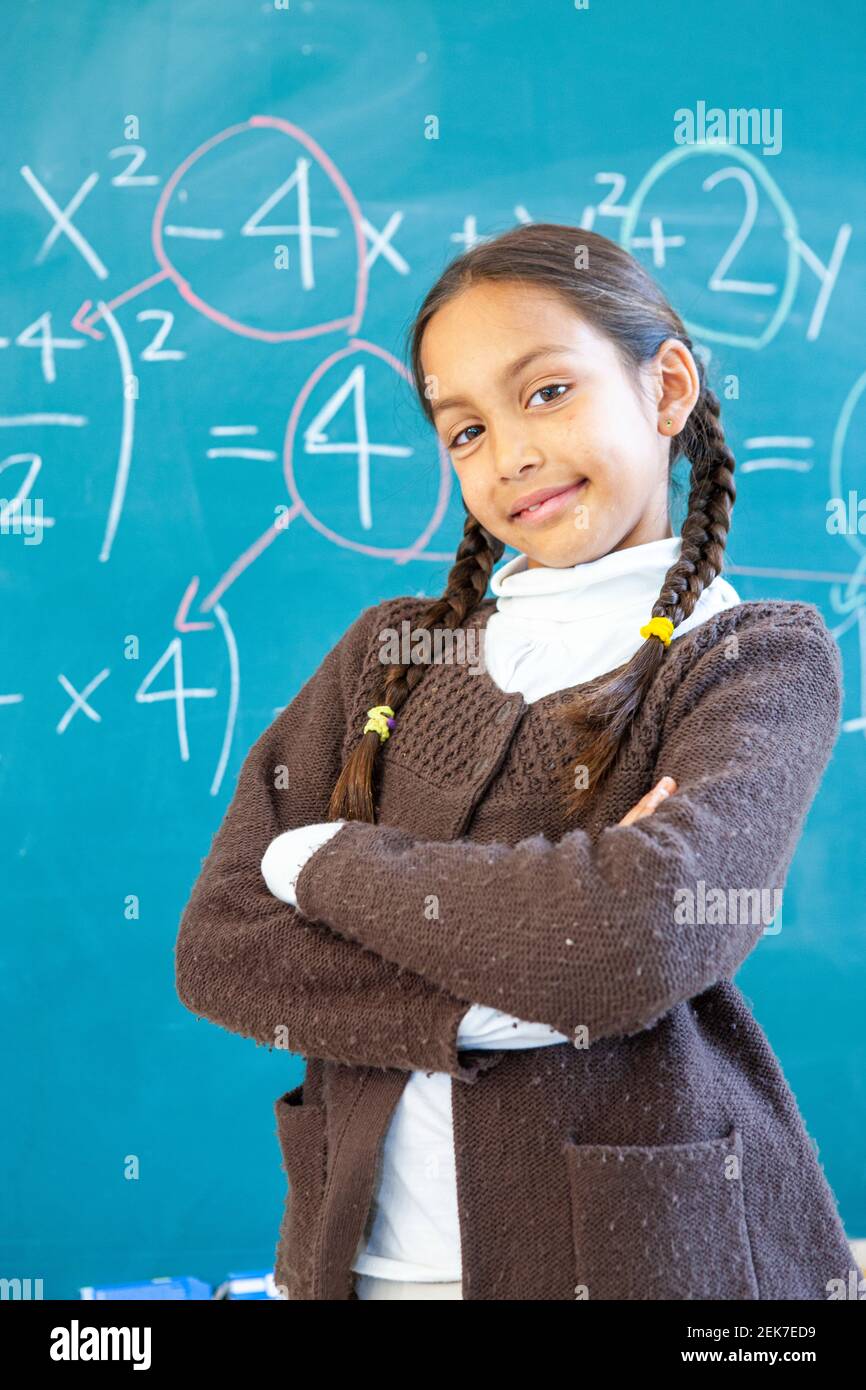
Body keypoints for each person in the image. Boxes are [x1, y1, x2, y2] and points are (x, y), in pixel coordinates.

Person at [175, 224, 856, 1301]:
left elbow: (635, 935)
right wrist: (522, 976)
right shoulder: (389, 657)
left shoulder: (751, 658)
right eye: (463, 431)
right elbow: (220, 946)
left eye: (545, 393)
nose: (509, 454)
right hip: (355, 1262)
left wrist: (320, 863)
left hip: (645, 1263)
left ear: (665, 386)